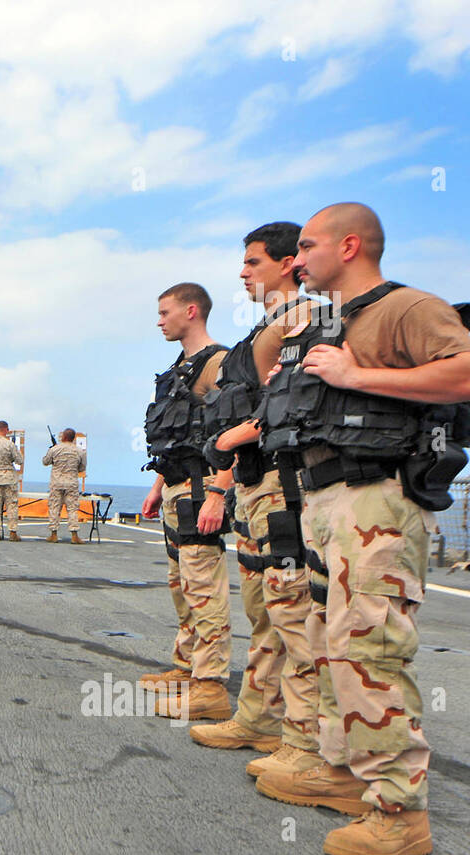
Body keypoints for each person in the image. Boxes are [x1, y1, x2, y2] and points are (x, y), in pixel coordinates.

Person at [254, 203, 470, 855]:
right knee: (332, 644)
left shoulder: (407, 307)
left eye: (306, 246)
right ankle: (342, 772)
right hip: (326, 500)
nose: (296, 261)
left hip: (378, 500)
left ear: (350, 245)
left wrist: (356, 376)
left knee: (369, 652)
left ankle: (398, 812)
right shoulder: (328, 323)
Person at [192, 222, 318, 772]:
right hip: (253, 483)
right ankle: (261, 720)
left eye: (253, 262)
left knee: (294, 612)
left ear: (289, 263)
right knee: (265, 610)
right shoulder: (266, 329)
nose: (242, 273)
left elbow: (291, 405)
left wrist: (229, 439)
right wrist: (224, 479)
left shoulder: (304, 319)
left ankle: (308, 742)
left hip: (285, 484)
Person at [139, 283, 234, 721]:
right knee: (181, 585)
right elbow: (179, 435)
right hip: (177, 486)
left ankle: (210, 685)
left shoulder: (219, 363)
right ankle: (186, 665)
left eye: (165, 312)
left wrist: (219, 491)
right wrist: (158, 486)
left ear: (191, 311)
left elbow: (233, 432)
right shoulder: (181, 366)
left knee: (204, 588)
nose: (160, 321)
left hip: (201, 487)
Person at [42, 428, 85, 543]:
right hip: (71, 483)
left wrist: (50, 450)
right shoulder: (79, 451)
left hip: (56, 483)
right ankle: (74, 535)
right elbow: (82, 468)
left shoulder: (55, 449)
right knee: (72, 509)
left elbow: (45, 462)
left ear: (64, 437)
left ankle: (53, 534)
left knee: (55, 508)